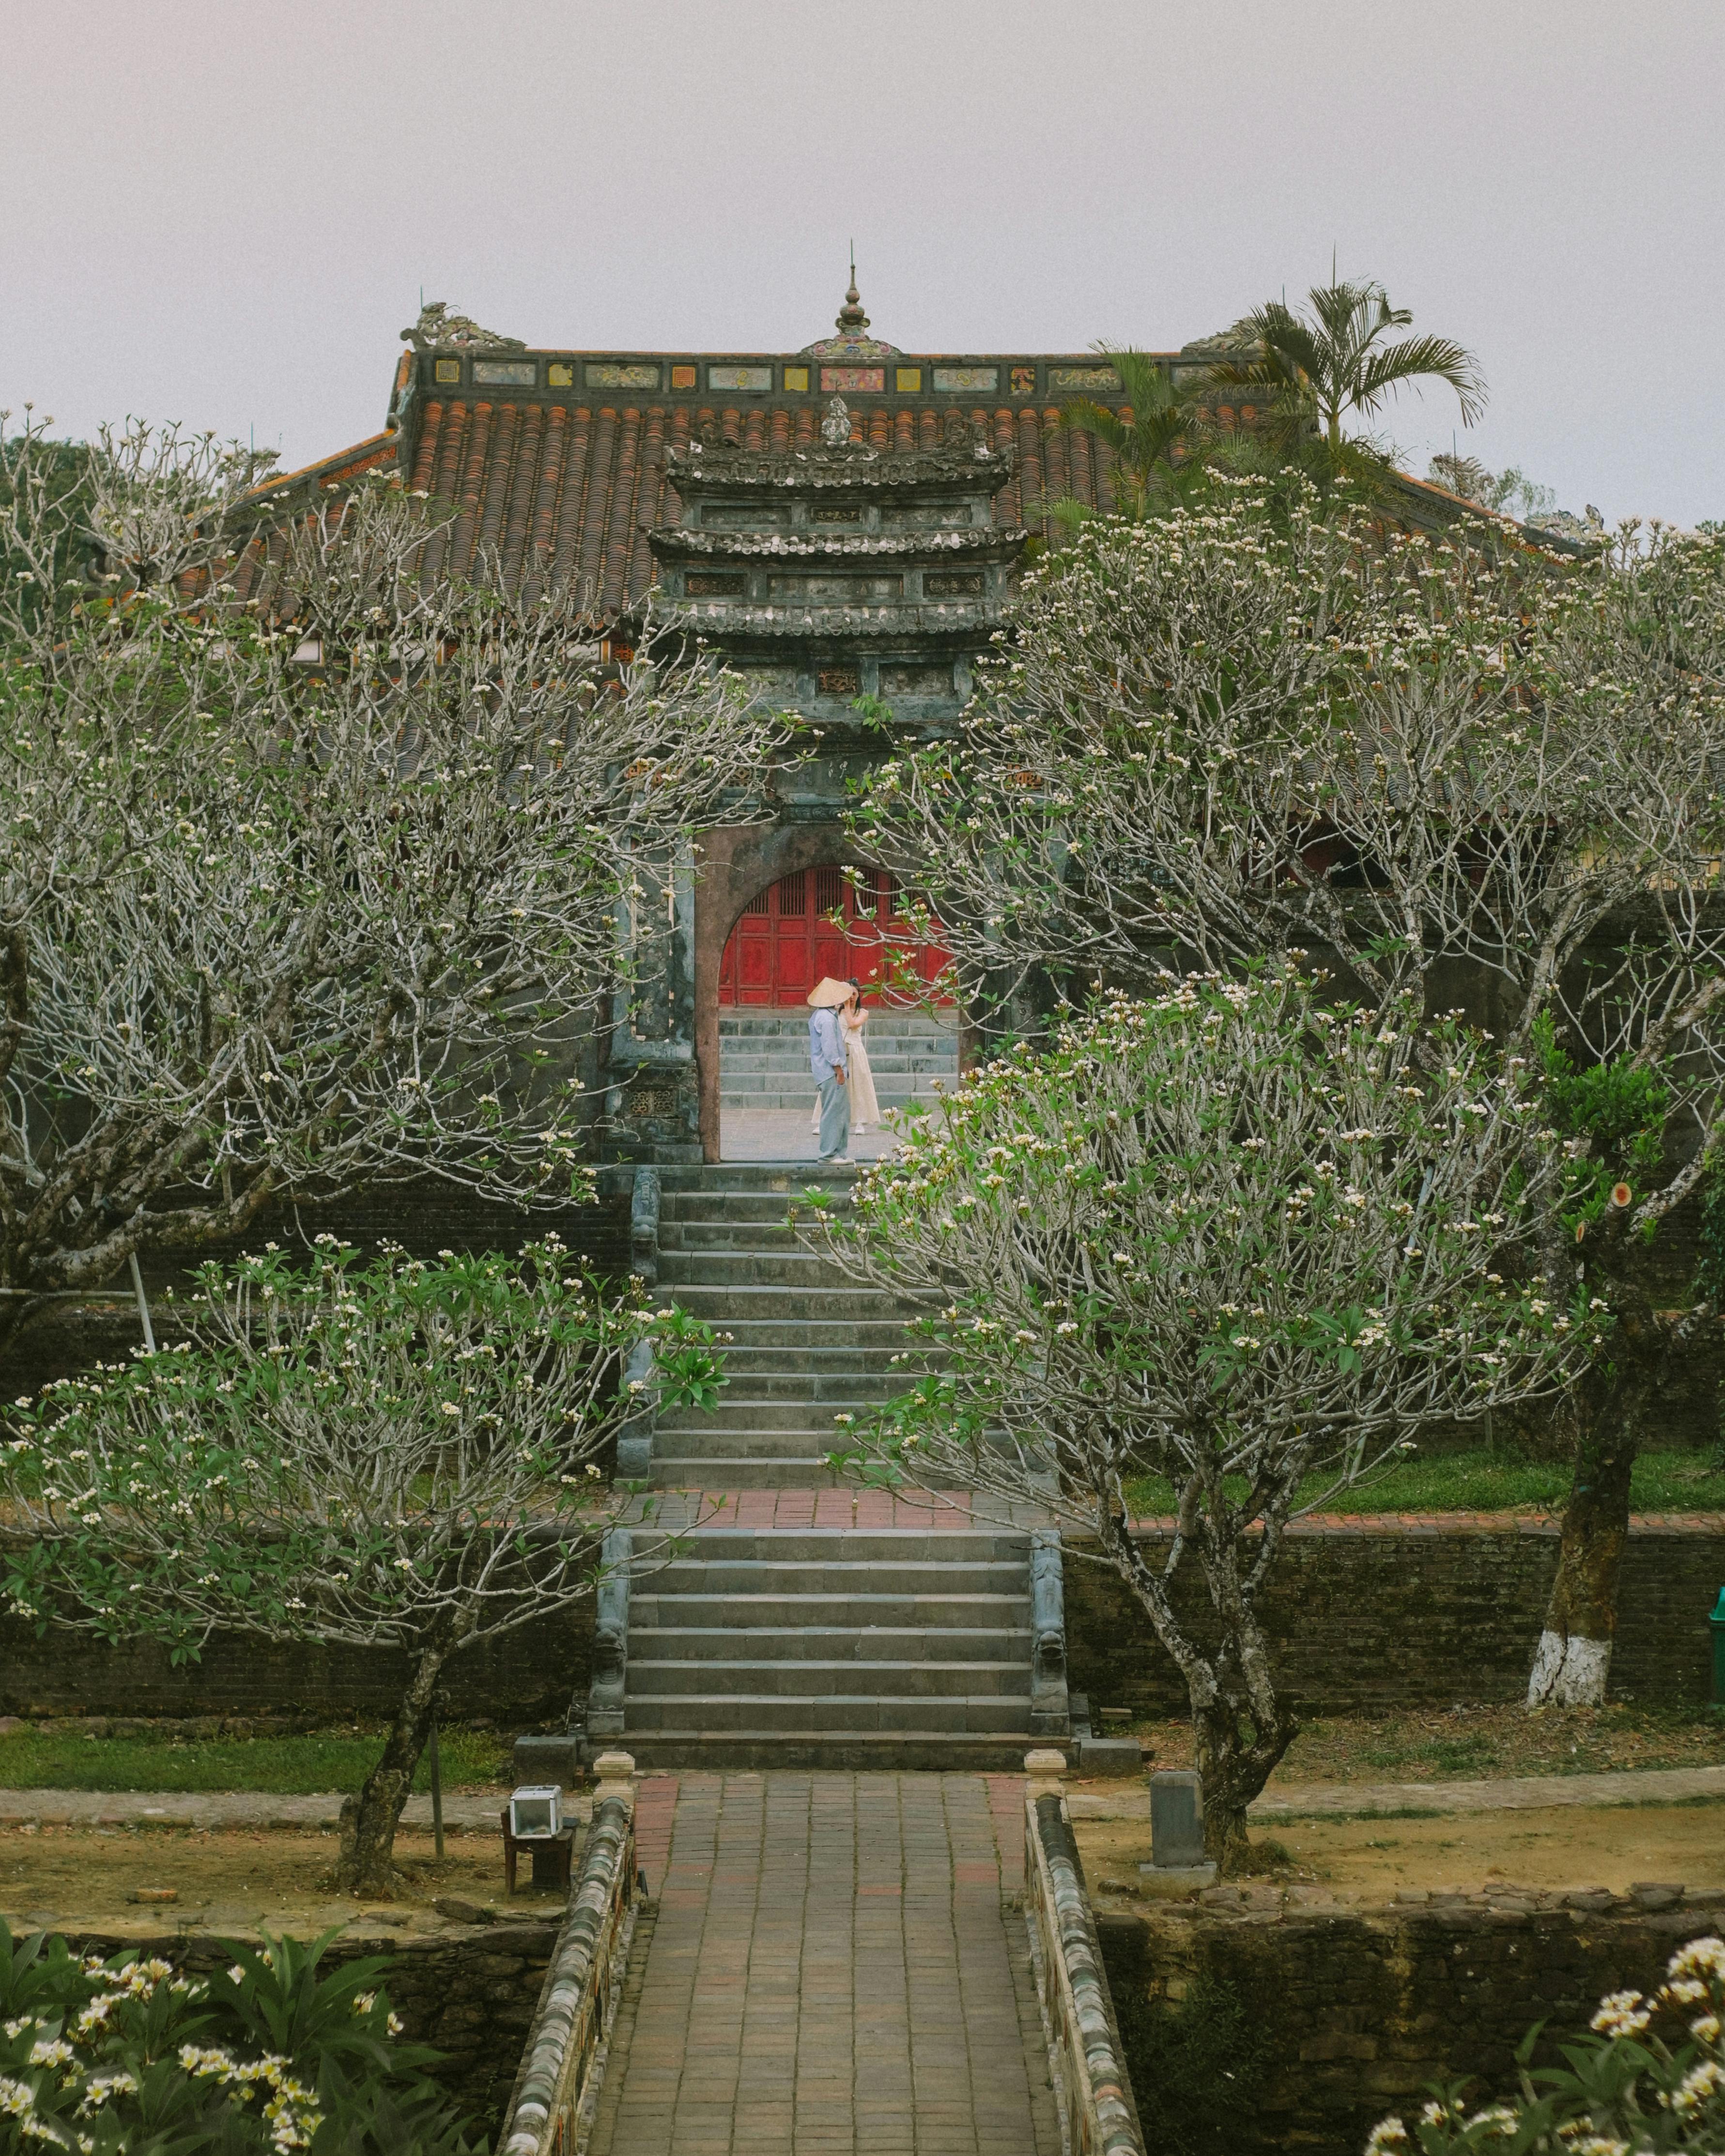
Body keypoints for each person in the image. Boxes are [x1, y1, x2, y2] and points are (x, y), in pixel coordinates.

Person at [812, 980, 879, 1138]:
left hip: (855, 1051)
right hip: (839, 1051)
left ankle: (859, 1122)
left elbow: (852, 1024)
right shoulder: (835, 1012)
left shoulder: (863, 1012)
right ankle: (824, 1122)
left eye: (854, 994)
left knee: (858, 1086)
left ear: (858, 995)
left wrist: (848, 1007)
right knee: (832, 1086)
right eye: (848, 994)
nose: (851, 998)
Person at [806, 976, 851, 1162]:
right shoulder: (826, 1019)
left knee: (840, 1112)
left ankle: (838, 1152)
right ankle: (829, 1154)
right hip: (830, 1071)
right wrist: (838, 1069)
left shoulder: (822, 1016)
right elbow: (830, 1047)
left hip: (826, 1071)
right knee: (833, 1113)